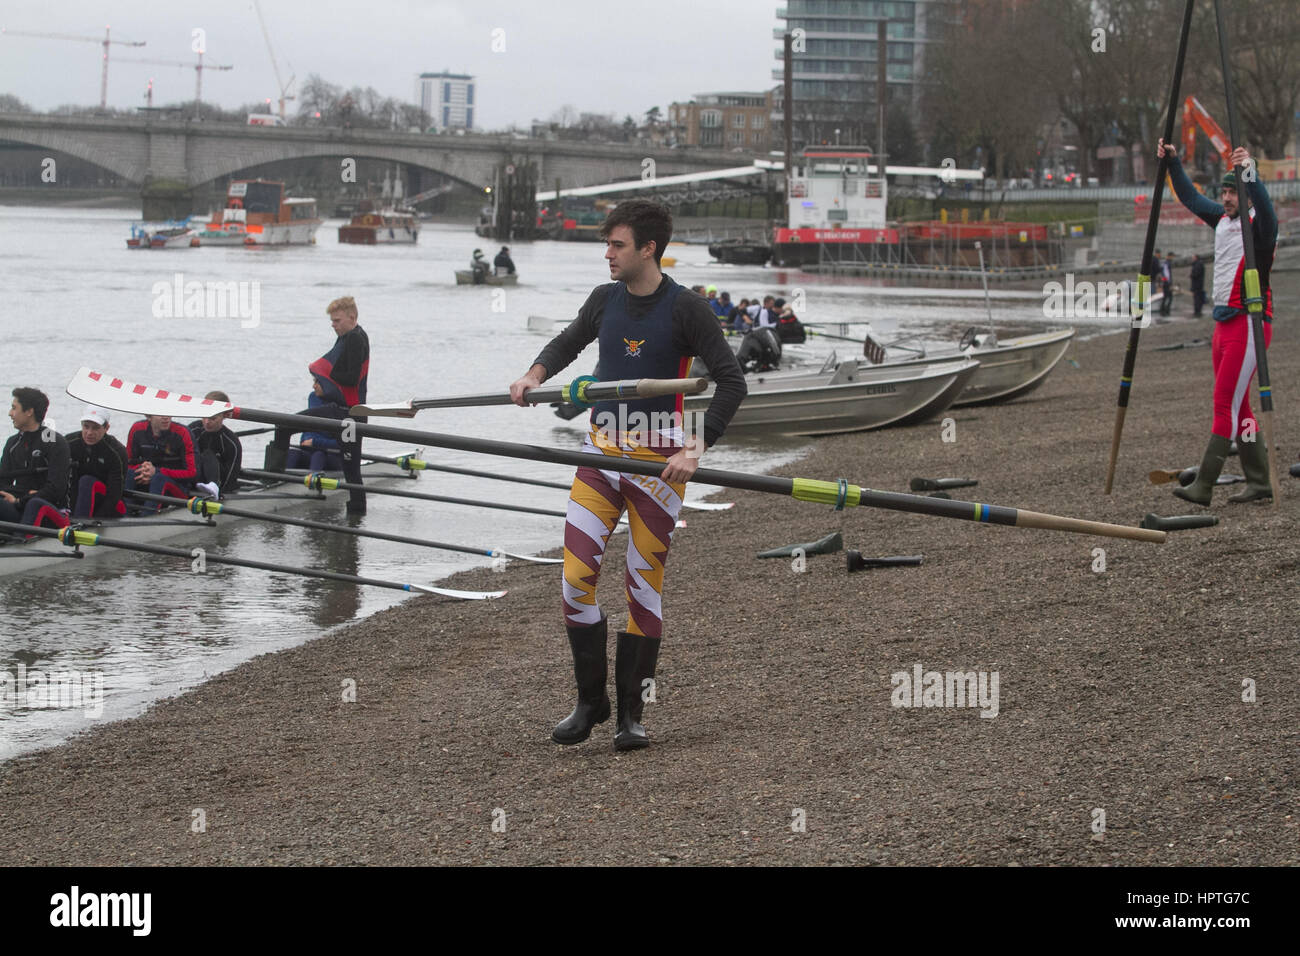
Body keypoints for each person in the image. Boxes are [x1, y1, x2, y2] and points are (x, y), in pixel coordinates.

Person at [509, 199, 746, 752]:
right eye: (607, 244)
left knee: (643, 588)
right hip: (600, 459)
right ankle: (591, 703)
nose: (608, 254)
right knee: (573, 582)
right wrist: (533, 374)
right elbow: (568, 343)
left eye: (617, 245)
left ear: (648, 249)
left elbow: (732, 382)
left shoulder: (687, 309)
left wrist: (696, 447)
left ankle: (631, 717)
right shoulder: (604, 300)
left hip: (658, 468)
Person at [1158, 138, 1278, 505]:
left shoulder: (1258, 230)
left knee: (1223, 403)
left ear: (1245, 196)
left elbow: (1270, 216)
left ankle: (1204, 485)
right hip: (1222, 326)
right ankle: (1259, 482)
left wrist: (1251, 175)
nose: (1227, 199)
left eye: (1233, 193)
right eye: (1224, 192)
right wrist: (1173, 163)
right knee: (1239, 407)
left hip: (1250, 324)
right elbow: (1191, 199)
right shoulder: (1222, 221)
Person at [265, 296, 369, 513]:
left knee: (351, 470)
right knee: (284, 426)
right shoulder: (346, 338)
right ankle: (355, 523)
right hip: (339, 412)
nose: (333, 325)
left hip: (349, 416)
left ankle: (271, 482)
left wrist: (325, 376)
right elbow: (341, 374)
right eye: (332, 321)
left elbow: (350, 378)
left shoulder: (356, 339)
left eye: (337, 320)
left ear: (352, 317)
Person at [0, 387, 70, 528]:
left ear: (29, 412)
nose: (10, 413)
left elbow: (55, 490)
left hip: (47, 510)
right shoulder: (12, 443)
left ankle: (21, 543)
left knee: (33, 503)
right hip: (19, 504)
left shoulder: (55, 442)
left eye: (14, 408)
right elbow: (2, 483)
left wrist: (20, 500)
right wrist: (20, 497)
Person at [66, 406, 129, 520]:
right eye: (86, 427)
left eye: (95, 428)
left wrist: (96, 521)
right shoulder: (69, 442)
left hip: (109, 504)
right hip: (78, 501)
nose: (89, 433)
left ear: (106, 428)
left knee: (87, 481)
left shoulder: (117, 451)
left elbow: (114, 495)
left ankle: (79, 522)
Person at [126, 414, 197, 508]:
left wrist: (156, 471)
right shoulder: (137, 429)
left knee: (158, 478)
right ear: (148, 417)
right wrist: (143, 470)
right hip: (147, 480)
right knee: (129, 473)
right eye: (160, 413)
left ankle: (148, 515)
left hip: (177, 486)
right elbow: (127, 463)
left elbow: (192, 473)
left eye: (168, 412)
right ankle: (125, 512)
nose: (166, 417)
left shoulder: (183, 433)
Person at [188, 390, 242, 498]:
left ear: (224, 415)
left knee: (207, 454)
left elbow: (230, 480)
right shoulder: (193, 429)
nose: (207, 422)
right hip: (193, 478)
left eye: (212, 418)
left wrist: (222, 496)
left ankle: (212, 486)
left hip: (219, 486)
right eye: (204, 416)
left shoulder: (232, 443)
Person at [287, 376, 344, 472]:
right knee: (292, 453)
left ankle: (311, 482)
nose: (313, 386)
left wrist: (314, 442)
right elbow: (308, 429)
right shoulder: (313, 397)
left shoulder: (343, 405)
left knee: (318, 455)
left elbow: (344, 444)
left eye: (317, 382)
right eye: (314, 381)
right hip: (312, 453)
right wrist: (307, 440)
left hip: (333, 457)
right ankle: (278, 481)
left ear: (328, 384)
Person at [1190, 253, 1206, 317]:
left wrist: (1191, 275)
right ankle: (1197, 311)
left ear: (1196, 258)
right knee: (1197, 298)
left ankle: (1197, 312)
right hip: (1198, 284)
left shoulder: (1198, 264)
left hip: (1197, 285)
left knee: (1197, 298)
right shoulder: (1199, 264)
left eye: (1193, 258)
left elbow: (1196, 274)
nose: (1192, 259)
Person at [1159, 251, 1175, 316]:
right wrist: (1169, 283)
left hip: (1166, 282)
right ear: (1169, 256)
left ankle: (1165, 310)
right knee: (1168, 297)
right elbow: (1166, 275)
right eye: (1172, 256)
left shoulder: (1166, 263)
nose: (1173, 258)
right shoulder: (1167, 263)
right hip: (1167, 283)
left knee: (1167, 297)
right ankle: (1164, 310)